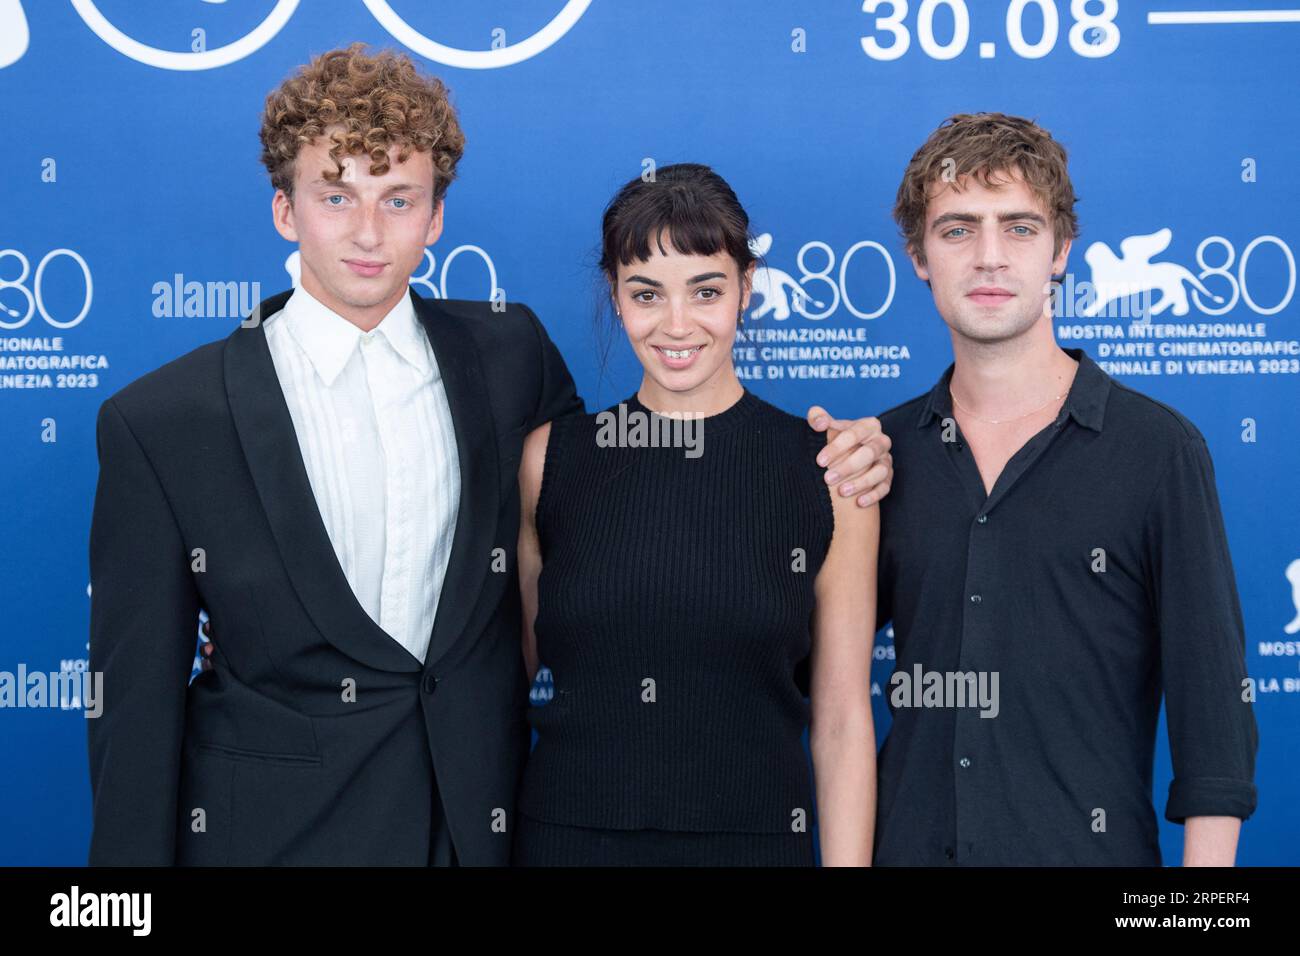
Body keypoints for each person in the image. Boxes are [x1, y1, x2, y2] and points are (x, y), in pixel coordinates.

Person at [89, 44, 894, 866]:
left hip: (477, 828)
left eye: (398, 198)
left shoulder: (511, 360)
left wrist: (848, 453)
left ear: (435, 217)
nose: (368, 231)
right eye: (336, 196)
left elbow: (634, 511)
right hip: (271, 836)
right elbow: (134, 710)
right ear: (285, 211)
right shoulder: (162, 422)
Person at [872, 113, 1258, 866]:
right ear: (918, 254)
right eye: (957, 230)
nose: (988, 258)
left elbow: (1214, 723)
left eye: (1018, 227)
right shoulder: (880, 457)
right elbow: (807, 681)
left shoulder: (1158, 451)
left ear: (1061, 251)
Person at [511, 164, 878, 866]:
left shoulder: (830, 472)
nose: (677, 325)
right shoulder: (551, 461)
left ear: (745, 291)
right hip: (565, 843)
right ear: (616, 299)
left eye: (705, 291)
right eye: (646, 293)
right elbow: (503, 681)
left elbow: (840, 721)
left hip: (757, 847)